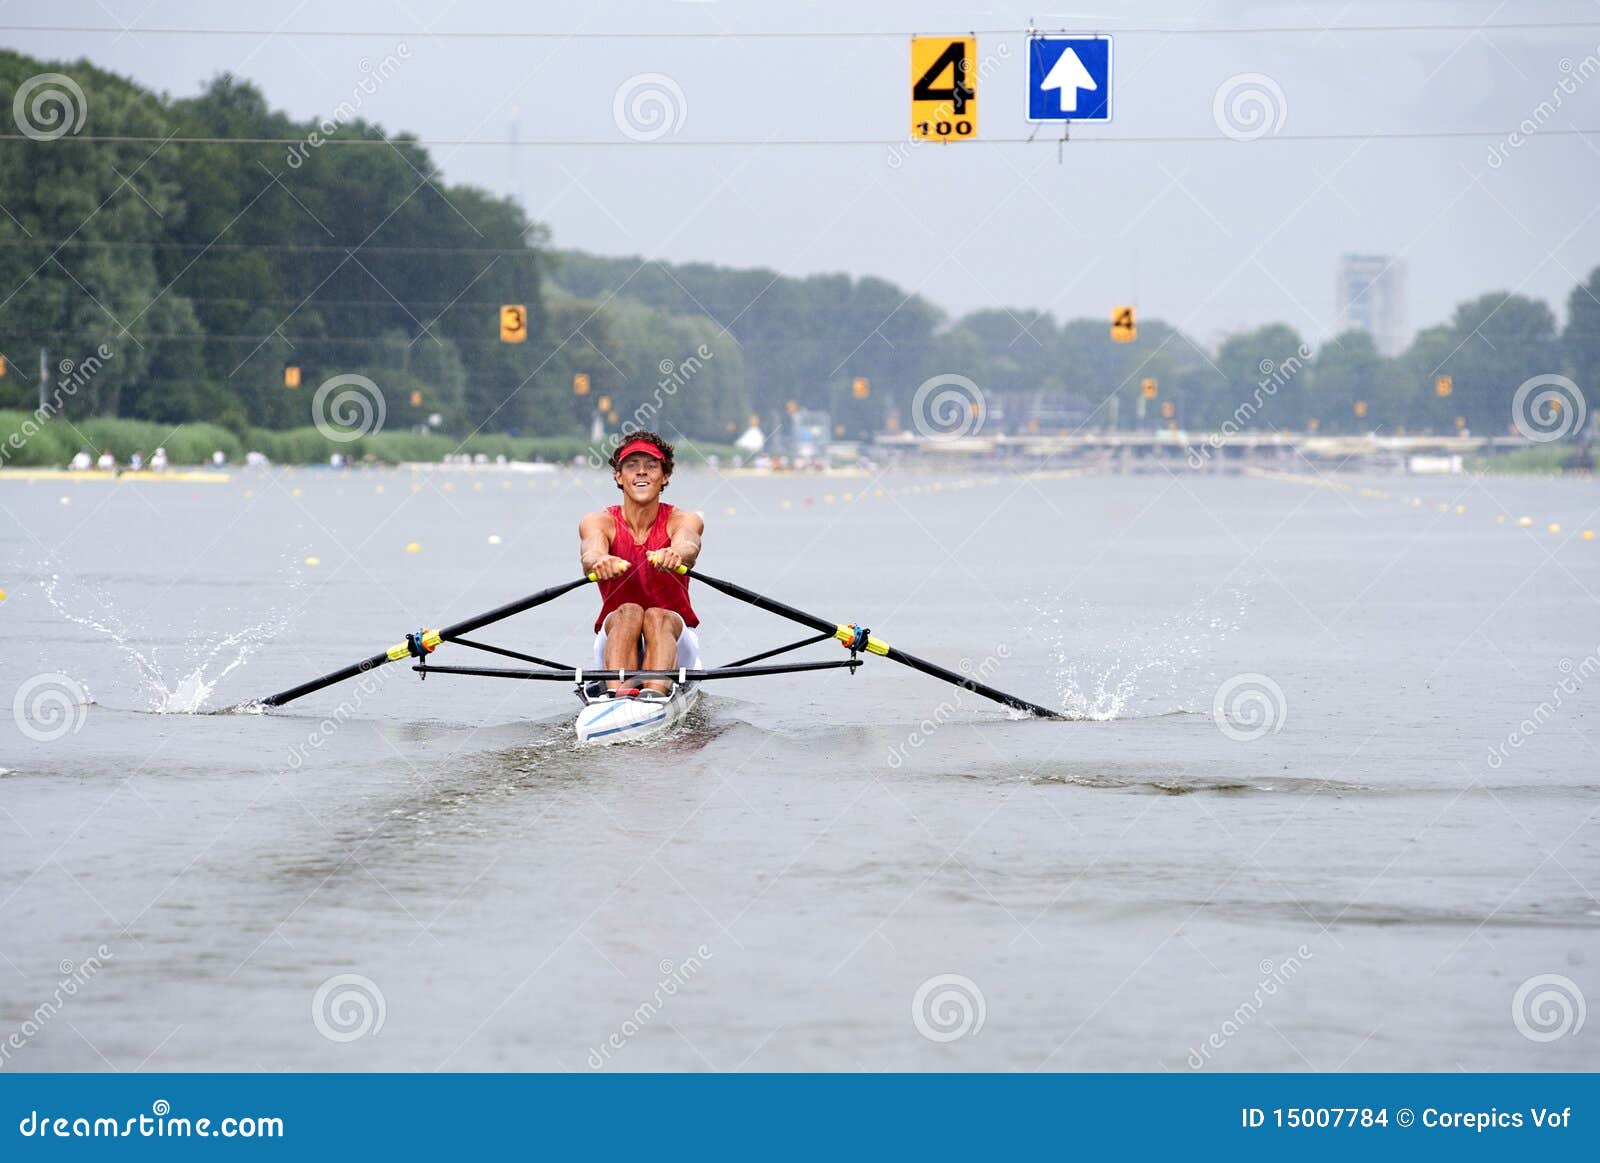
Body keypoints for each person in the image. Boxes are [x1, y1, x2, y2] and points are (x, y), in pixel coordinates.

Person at [578, 432, 703, 697]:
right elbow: (589, 553)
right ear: (619, 477)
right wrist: (599, 560)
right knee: (629, 612)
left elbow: (689, 545)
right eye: (631, 466)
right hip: (616, 636)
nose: (641, 473)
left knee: (657, 615)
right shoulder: (599, 521)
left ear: (665, 476)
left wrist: (676, 554)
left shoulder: (683, 519)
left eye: (651, 466)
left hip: (677, 642)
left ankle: (653, 696)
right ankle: (622, 697)